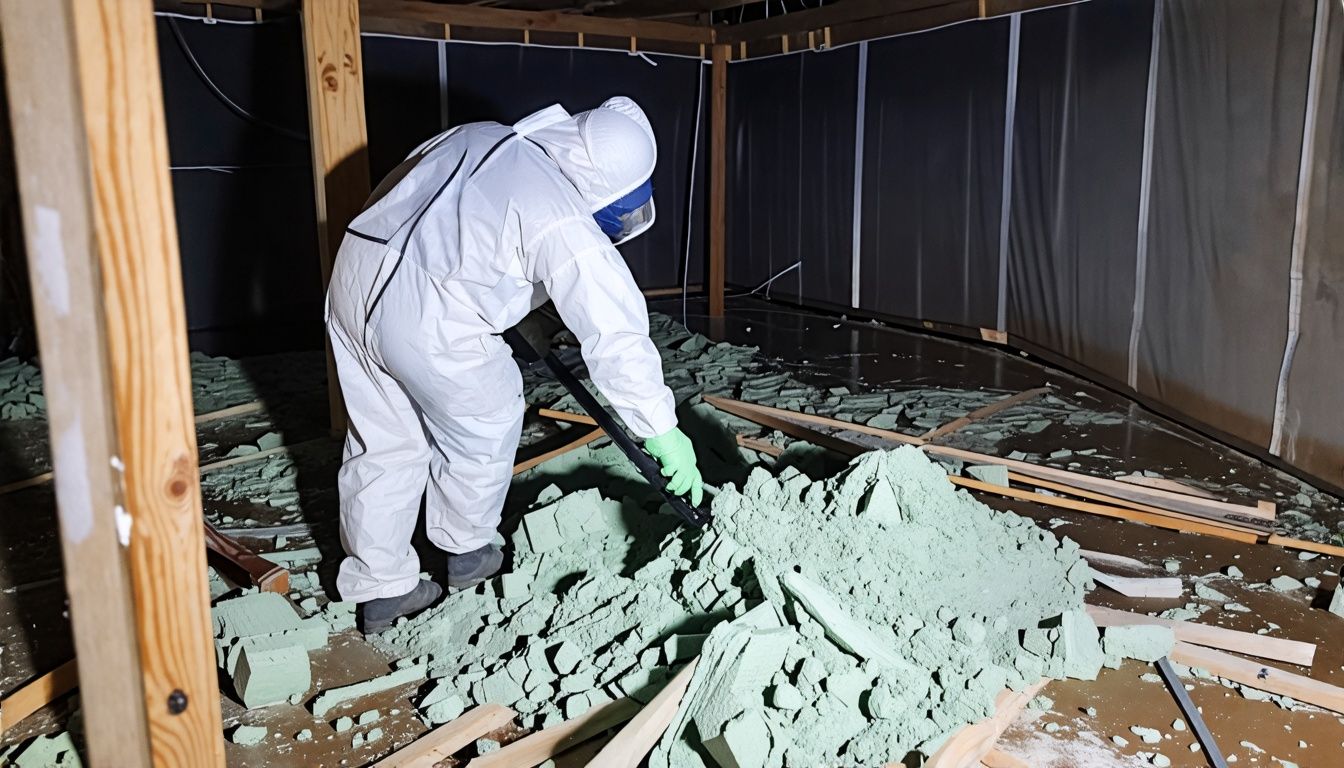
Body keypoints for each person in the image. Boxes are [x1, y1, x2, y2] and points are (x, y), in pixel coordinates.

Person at [325, 97, 703, 633]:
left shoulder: (484, 136)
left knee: (384, 439)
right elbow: (615, 334)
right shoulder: (561, 211)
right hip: (429, 313)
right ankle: (468, 552)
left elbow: (436, 219)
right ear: (597, 188)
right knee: (488, 415)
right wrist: (660, 429)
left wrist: (513, 308)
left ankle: (381, 587)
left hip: (355, 275)